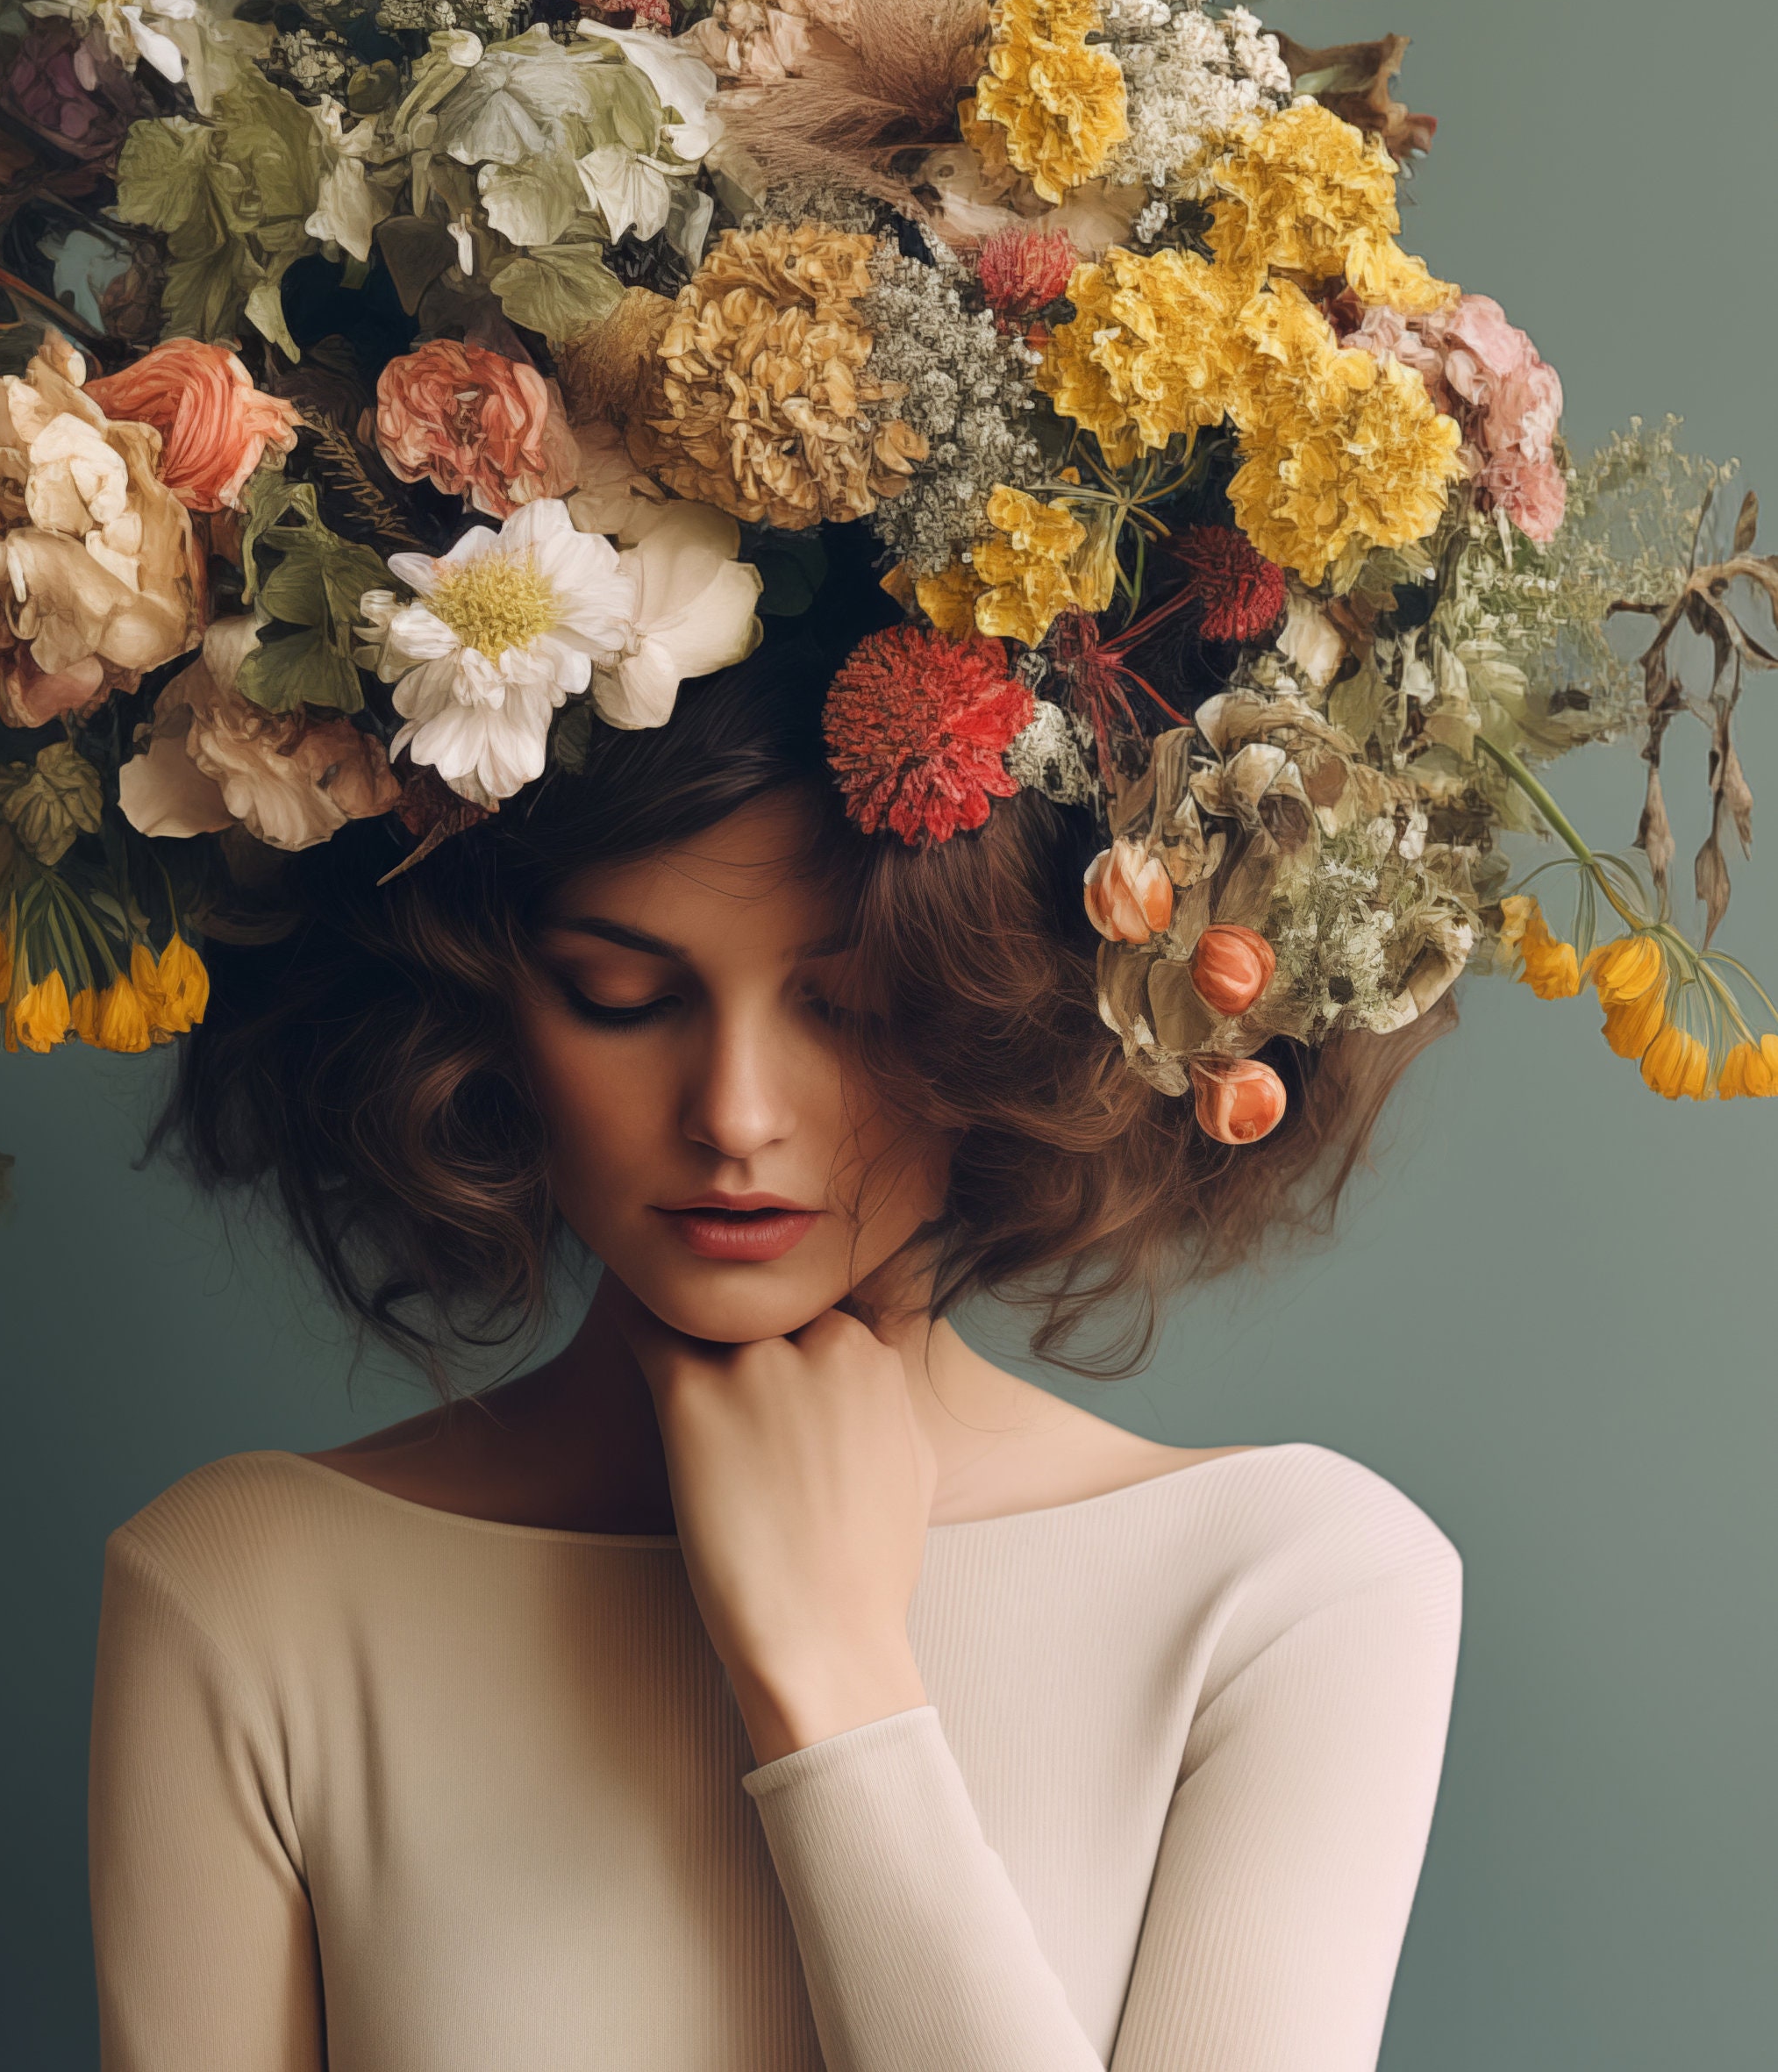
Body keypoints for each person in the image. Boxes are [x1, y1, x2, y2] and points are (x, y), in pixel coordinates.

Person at [87, 632, 1462, 2072]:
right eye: (623, 996)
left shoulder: (1288, 1596)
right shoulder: (242, 1594)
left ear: (1000, 1016)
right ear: (482, 1013)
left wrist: (835, 1680)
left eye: (850, 1008)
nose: (735, 1115)